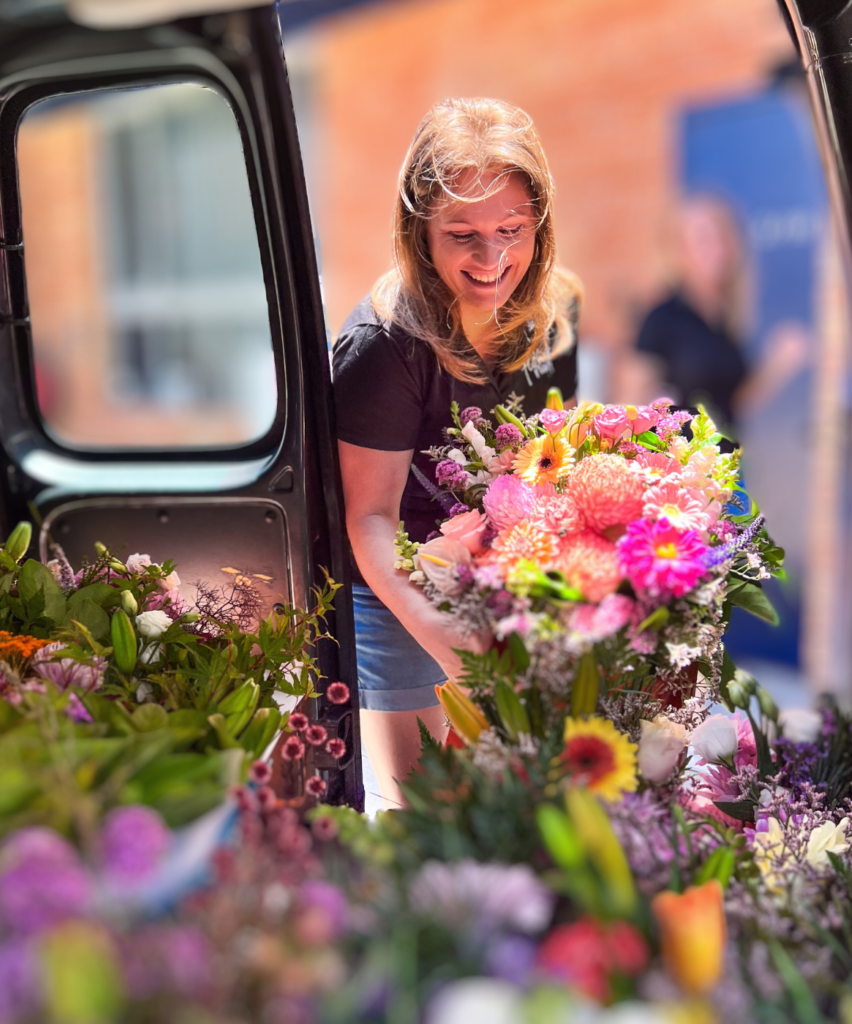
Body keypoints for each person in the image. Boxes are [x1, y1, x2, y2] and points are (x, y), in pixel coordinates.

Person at [332, 98, 582, 807]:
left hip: (497, 575)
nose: (492, 257)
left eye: (511, 230)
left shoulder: (550, 319)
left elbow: (545, 463)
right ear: (419, 234)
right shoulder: (383, 348)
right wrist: (438, 631)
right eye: (462, 234)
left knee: (523, 803)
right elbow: (370, 518)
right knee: (426, 813)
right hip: (393, 587)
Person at [631, 194, 809, 435]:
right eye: (703, 240)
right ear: (680, 251)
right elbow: (631, 403)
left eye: (720, 238)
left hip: (724, 460)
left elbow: (732, 404)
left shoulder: (725, 320)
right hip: (680, 464)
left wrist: (778, 363)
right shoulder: (662, 320)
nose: (716, 249)